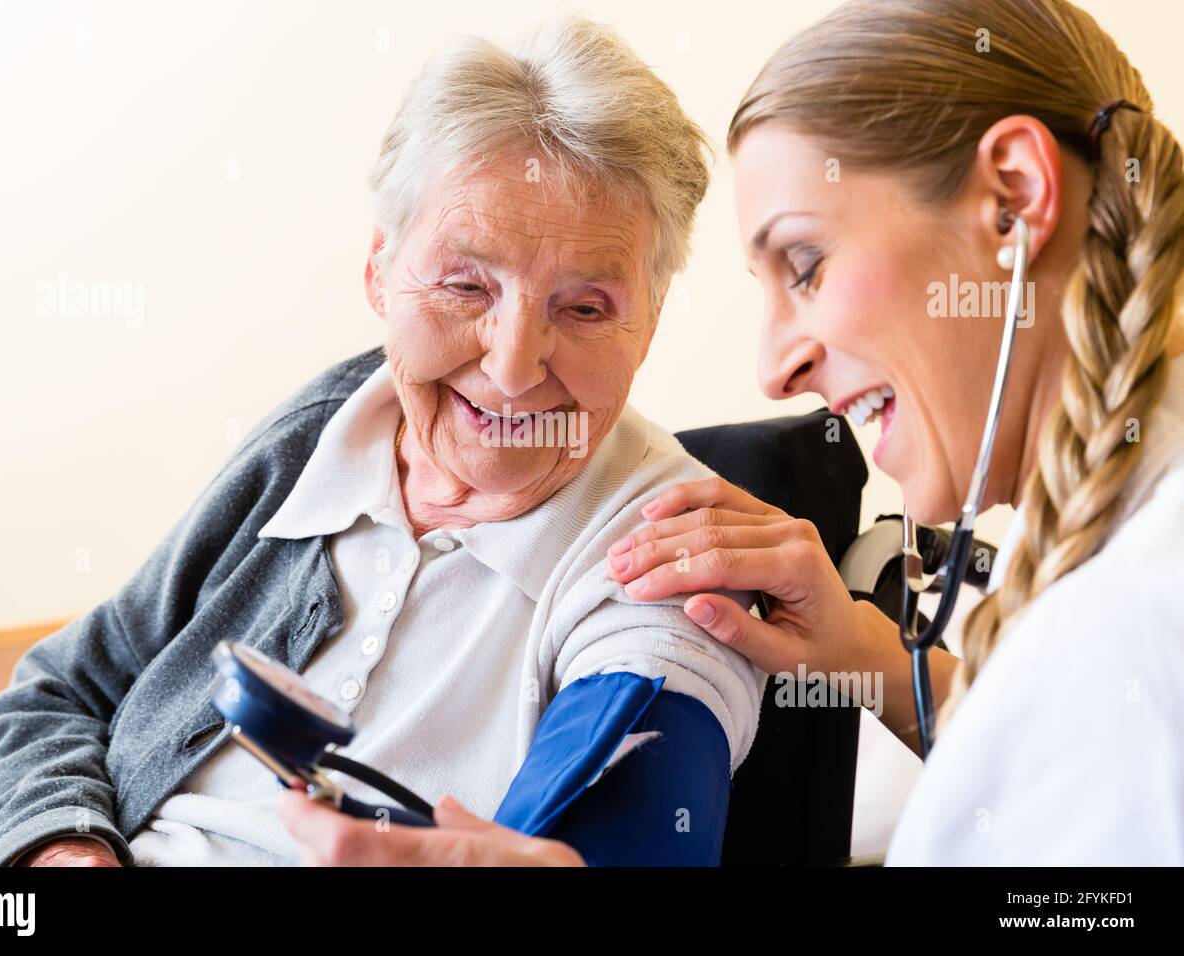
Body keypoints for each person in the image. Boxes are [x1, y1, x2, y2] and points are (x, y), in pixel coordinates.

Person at [282, 0, 1184, 865]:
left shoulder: (1137, 611)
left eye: (807, 263)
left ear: (1014, 199)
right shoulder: (1117, 598)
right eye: (466, 286)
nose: (773, 370)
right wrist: (865, 653)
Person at [0, 17, 762, 867]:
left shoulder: (675, 550)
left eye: (584, 307)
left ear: (651, 320)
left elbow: (640, 826)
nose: (514, 368)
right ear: (379, 270)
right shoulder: (327, 430)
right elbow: (61, 693)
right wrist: (65, 852)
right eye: (464, 284)